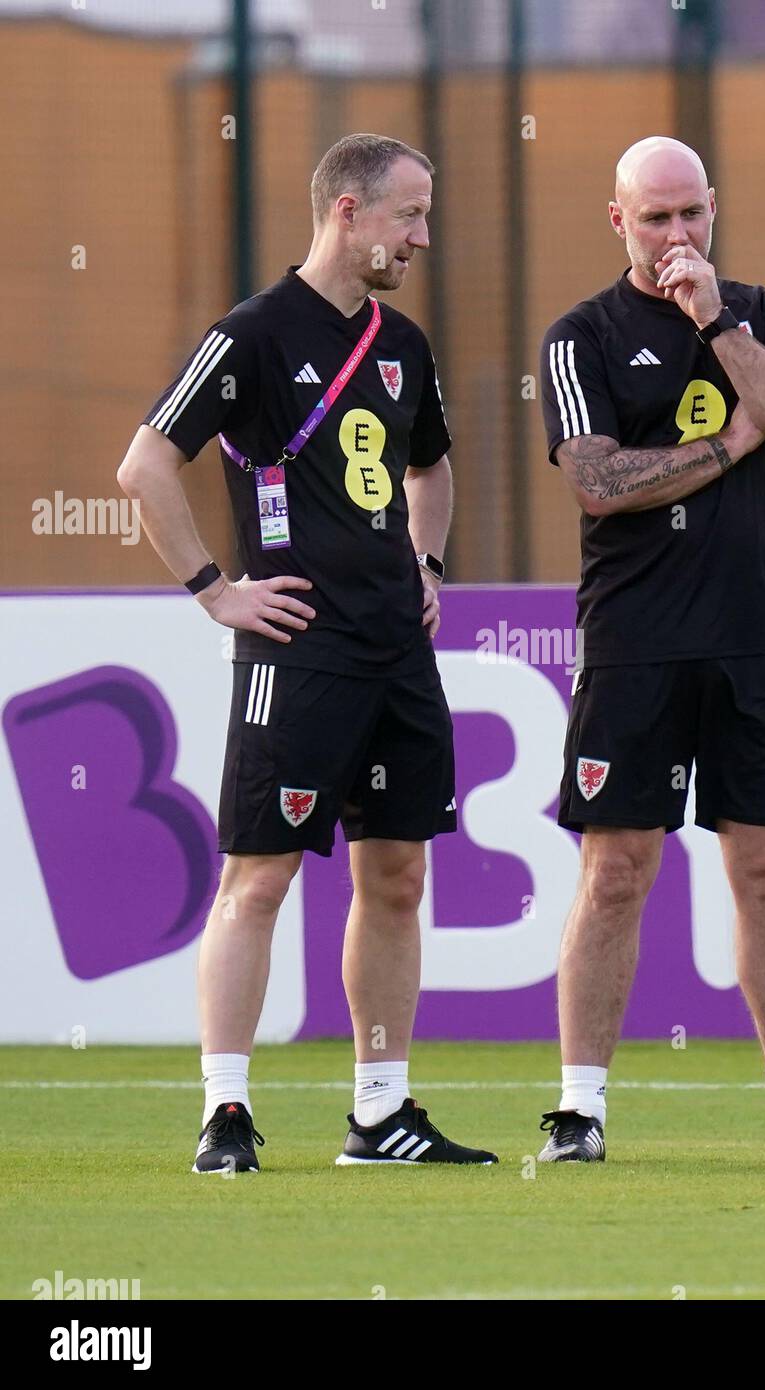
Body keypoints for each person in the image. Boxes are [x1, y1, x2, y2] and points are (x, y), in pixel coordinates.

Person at [117, 133, 496, 1172]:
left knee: (397, 878)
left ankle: (381, 1113)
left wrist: (426, 563)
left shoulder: (402, 343)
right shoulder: (250, 336)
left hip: (396, 655)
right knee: (258, 879)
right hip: (299, 657)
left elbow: (432, 469)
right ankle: (225, 1112)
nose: (422, 235)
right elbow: (144, 465)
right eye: (408, 215)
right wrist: (213, 589)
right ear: (346, 211)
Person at [537, 135, 765, 1163]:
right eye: (655, 219)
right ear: (618, 222)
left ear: (713, 207)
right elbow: (599, 481)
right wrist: (729, 445)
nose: (676, 235)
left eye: (691, 214)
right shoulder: (580, 335)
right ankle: (580, 1108)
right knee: (616, 870)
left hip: (753, 629)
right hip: (635, 640)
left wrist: (714, 319)